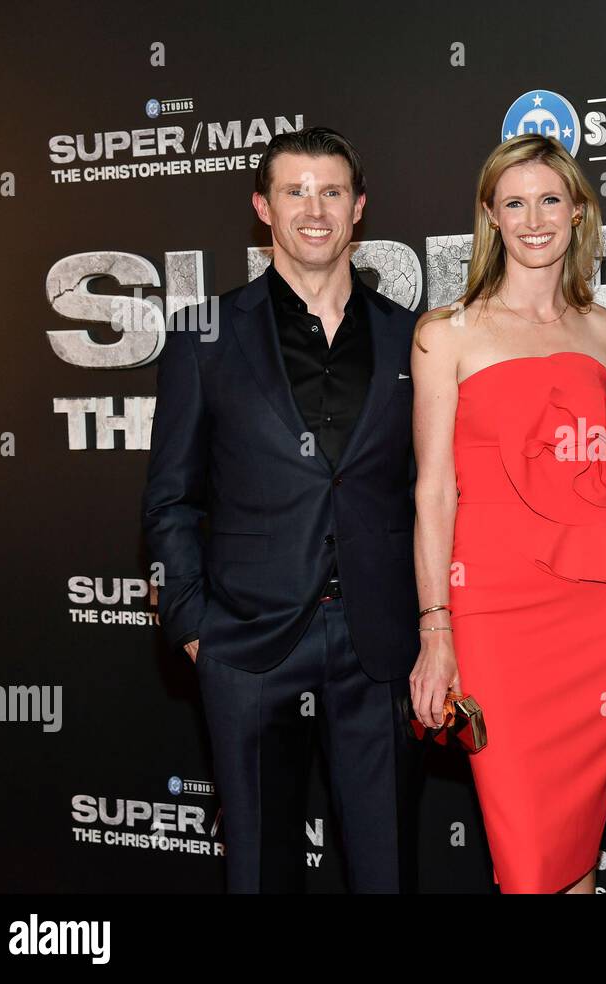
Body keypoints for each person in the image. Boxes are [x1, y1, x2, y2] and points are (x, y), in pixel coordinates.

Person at [142, 127, 421, 892]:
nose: (314, 209)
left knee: (386, 870)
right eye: (294, 191)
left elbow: (430, 490)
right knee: (260, 873)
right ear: (262, 207)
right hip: (248, 641)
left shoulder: (412, 338)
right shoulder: (205, 334)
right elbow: (170, 498)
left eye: (331, 191)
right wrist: (194, 625)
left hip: (380, 646)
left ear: (358, 207)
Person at [409, 133, 606, 894]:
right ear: (490, 216)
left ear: (579, 212)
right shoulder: (445, 332)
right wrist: (435, 627)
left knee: (574, 839)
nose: (533, 218)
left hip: (597, 607)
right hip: (494, 608)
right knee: (524, 853)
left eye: (550, 199)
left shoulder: (603, 330)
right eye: (513, 203)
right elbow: (432, 490)